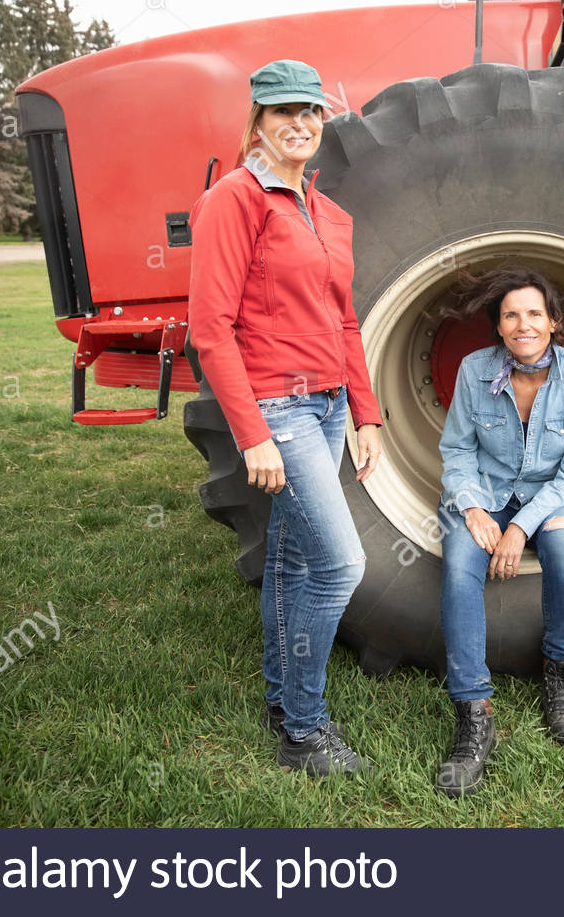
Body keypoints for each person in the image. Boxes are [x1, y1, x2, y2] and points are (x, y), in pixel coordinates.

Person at [188, 59, 382, 777]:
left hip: (329, 407)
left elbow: (347, 322)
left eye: (311, 112)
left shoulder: (327, 214)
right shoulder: (234, 200)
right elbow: (211, 329)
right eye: (283, 113)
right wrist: (253, 434)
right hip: (279, 407)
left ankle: (280, 697)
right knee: (340, 565)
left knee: (293, 561)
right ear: (258, 123)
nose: (299, 124)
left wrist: (367, 414)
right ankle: (303, 732)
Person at [434, 267, 564, 797]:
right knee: (461, 568)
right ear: (499, 326)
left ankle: (559, 675)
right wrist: (472, 508)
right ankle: (474, 713)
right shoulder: (473, 370)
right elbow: (458, 449)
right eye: (511, 315)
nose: (523, 324)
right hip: (485, 491)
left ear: (553, 322)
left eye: (534, 314)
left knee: (563, 551)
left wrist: (520, 528)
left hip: (553, 494)